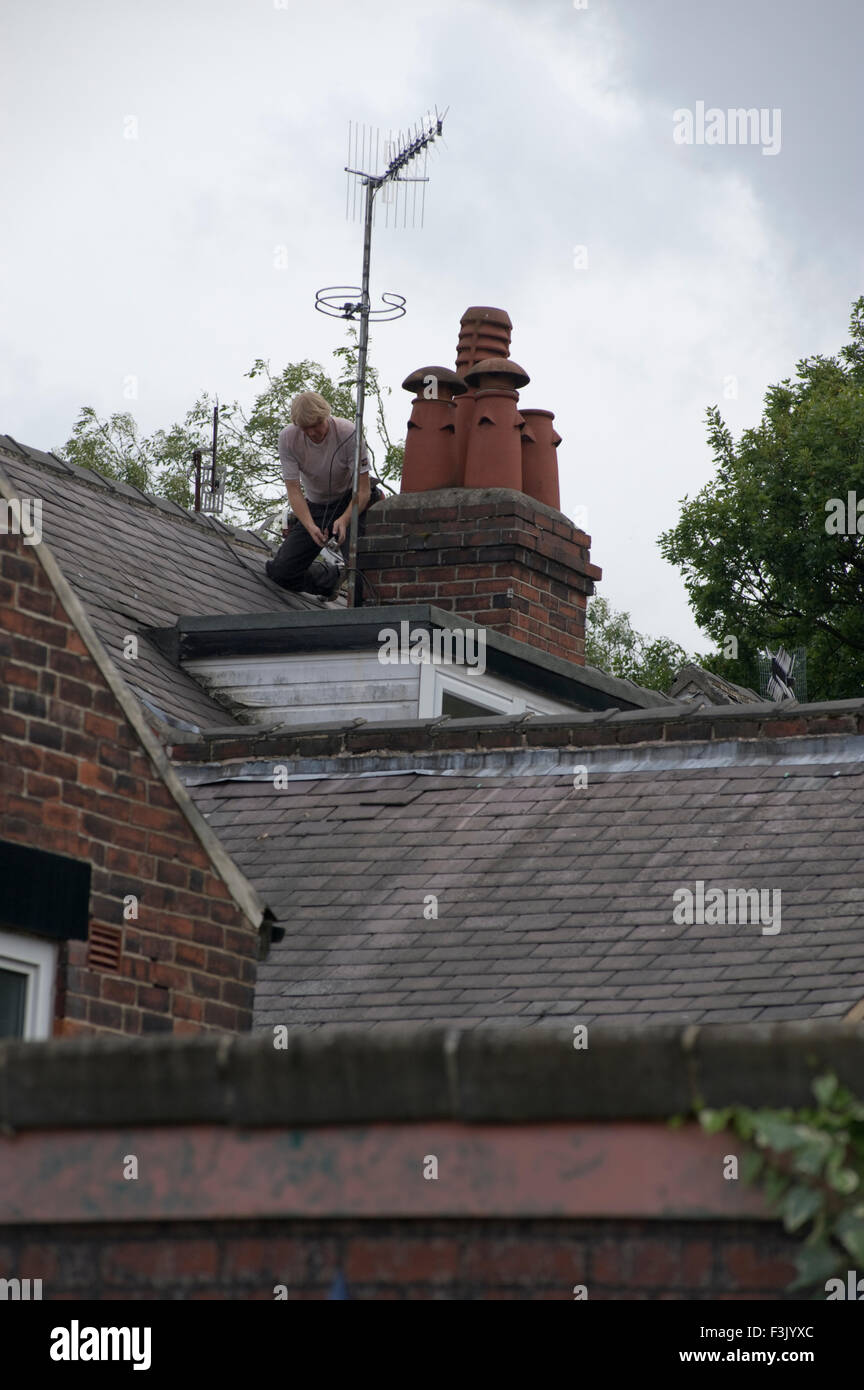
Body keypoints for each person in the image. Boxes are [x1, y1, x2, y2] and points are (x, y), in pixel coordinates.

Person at [265, 391, 381, 594]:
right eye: (305, 428)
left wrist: (344, 520)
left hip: (350, 501)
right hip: (316, 506)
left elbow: (363, 491)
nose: (312, 433)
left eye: (316, 425)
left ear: (326, 416)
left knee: (362, 572)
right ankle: (332, 578)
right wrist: (310, 526)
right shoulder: (288, 438)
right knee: (280, 571)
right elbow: (294, 490)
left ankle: (357, 597)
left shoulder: (348, 433)